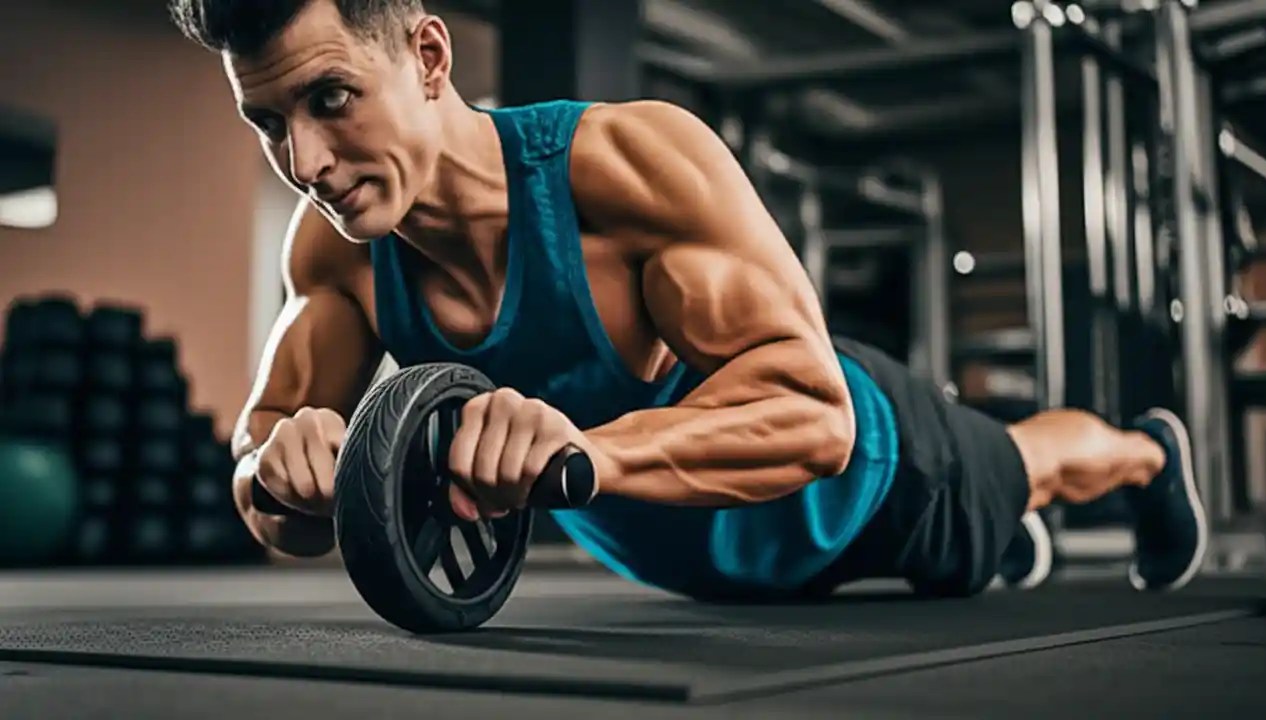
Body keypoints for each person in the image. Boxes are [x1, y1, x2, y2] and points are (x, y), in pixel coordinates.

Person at [169, 0, 1207, 600]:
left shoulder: (625, 165)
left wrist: (583, 452)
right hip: (696, 579)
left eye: (331, 99)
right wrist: (282, 474)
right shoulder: (338, 253)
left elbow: (814, 417)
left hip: (872, 493)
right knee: (992, 545)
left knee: (1025, 469)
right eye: (268, 123)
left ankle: (1146, 453)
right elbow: (273, 498)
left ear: (429, 58)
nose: (303, 159)